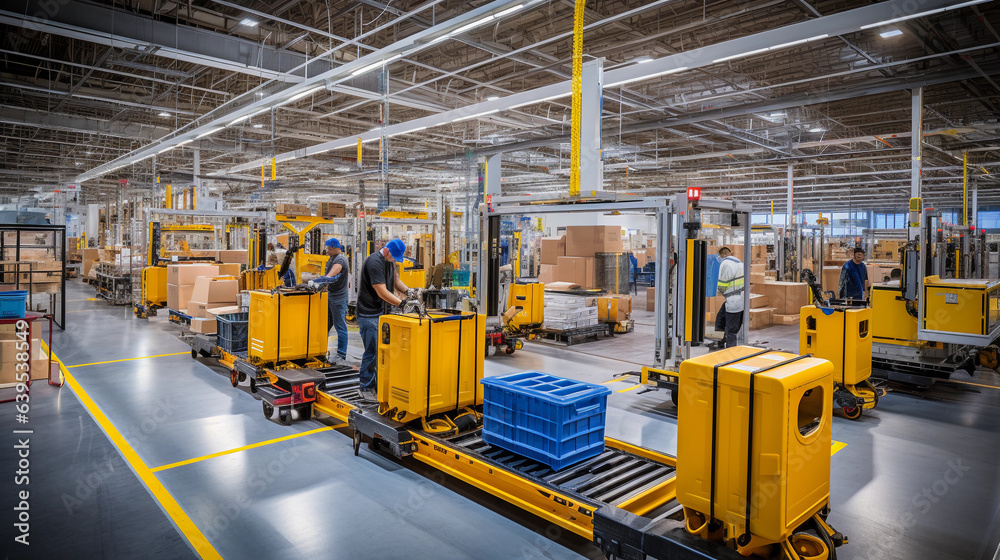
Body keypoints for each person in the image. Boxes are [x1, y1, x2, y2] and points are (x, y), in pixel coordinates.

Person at [356, 239, 410, 391]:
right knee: (372, 352)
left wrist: (410, 292)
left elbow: (396, 280)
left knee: (383, 351)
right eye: (394, 257)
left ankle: (379, 385)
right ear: (387, 251)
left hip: (381, 313)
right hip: (369, 314)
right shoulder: (374, 262)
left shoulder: (390, 261)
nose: (394, 260)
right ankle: (366, 387)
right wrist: (402, 303)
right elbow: (381, 291)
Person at [323, 238, 350, 363]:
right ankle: (320, 351)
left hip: (338, 298)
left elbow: (337, 268)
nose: (327, 251)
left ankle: (341, 355)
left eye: (329, 249)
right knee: (325, 325)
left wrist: (327, 277)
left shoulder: (340, 259)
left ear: (333, 248)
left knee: (340, 326)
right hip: (330, 296)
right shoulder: (331, 259)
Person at [716, 246, 745, 348]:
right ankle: (719, 342)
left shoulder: (726, 264)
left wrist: (718, 290)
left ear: (724, 254)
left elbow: (722, 284)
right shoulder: (739, 263)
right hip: (741, 300)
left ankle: (730, 350)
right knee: (720, 318)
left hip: (733, 301)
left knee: (731, 330)